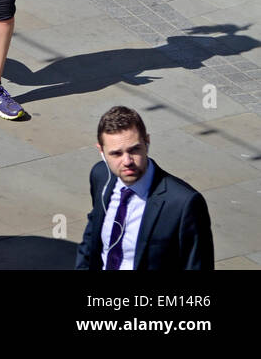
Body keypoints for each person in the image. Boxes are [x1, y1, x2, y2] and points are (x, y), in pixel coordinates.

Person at [76, 106, 214, 270]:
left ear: (147, 142)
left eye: (134, 150)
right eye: (116, 154)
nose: (127, 161)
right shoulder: (100, 176)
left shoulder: (183, 203)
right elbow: (92, 235)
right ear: (101, 151)